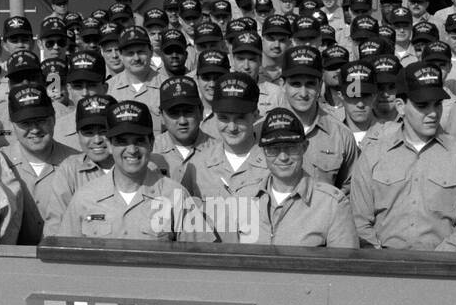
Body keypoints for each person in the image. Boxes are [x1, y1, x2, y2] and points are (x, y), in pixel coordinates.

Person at [349, 62, 456, 252]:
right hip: (384, 267)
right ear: (401, 106)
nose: (432, 113)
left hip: (443, 268)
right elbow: (359, 221)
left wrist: (434, 265)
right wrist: (380, 259)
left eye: (437, 104)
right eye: (422, 105)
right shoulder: (373, 155)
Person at [57, 101, 208, 242]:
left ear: (151, 143)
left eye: (139, 141)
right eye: (122, 142)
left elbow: (199, 256)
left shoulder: (176, 196)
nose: (132, 150)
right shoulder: (85, 197)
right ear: (109, 145)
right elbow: (64, 257)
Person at [0, 85, 78, 245]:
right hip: (11, 261)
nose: (34, 130)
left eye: (41, 121)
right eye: (25, 123)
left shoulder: (77, 163)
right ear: (12, 125)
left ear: (53, 119)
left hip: (61, 260)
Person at [247, 108, 357, 247]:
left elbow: (345, 265)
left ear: (304, 147)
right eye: (274, 149)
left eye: (291, 148)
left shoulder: (332, 204)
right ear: (263, 151)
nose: (283, 157)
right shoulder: (245, 197)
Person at [276, 45, 357, 189]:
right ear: (283, 85)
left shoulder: (341, 135)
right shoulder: (261, 131)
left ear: (320, 85)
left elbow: (349, 189)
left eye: (310, 84)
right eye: (295, 84)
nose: (303, 93)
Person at [182, 74, 269, 204]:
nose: (232, 127)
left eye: (240, 118)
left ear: (256, 115)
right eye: (224, 118)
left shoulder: (272, 164)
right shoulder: (197, 165)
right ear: (215, 115)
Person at [152, 76, 215, 188]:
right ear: (161, 116)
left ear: (200, 111)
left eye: (188, 112)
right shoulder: (150, 151)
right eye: (174, 113)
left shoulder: (219, 151)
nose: (182, 121)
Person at [108, 26, 163, 129]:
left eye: (141, 52)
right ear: (120, 55)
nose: (136, 58)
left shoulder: (166, 87)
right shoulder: (109, 89)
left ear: (151, 51)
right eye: (130, 53)